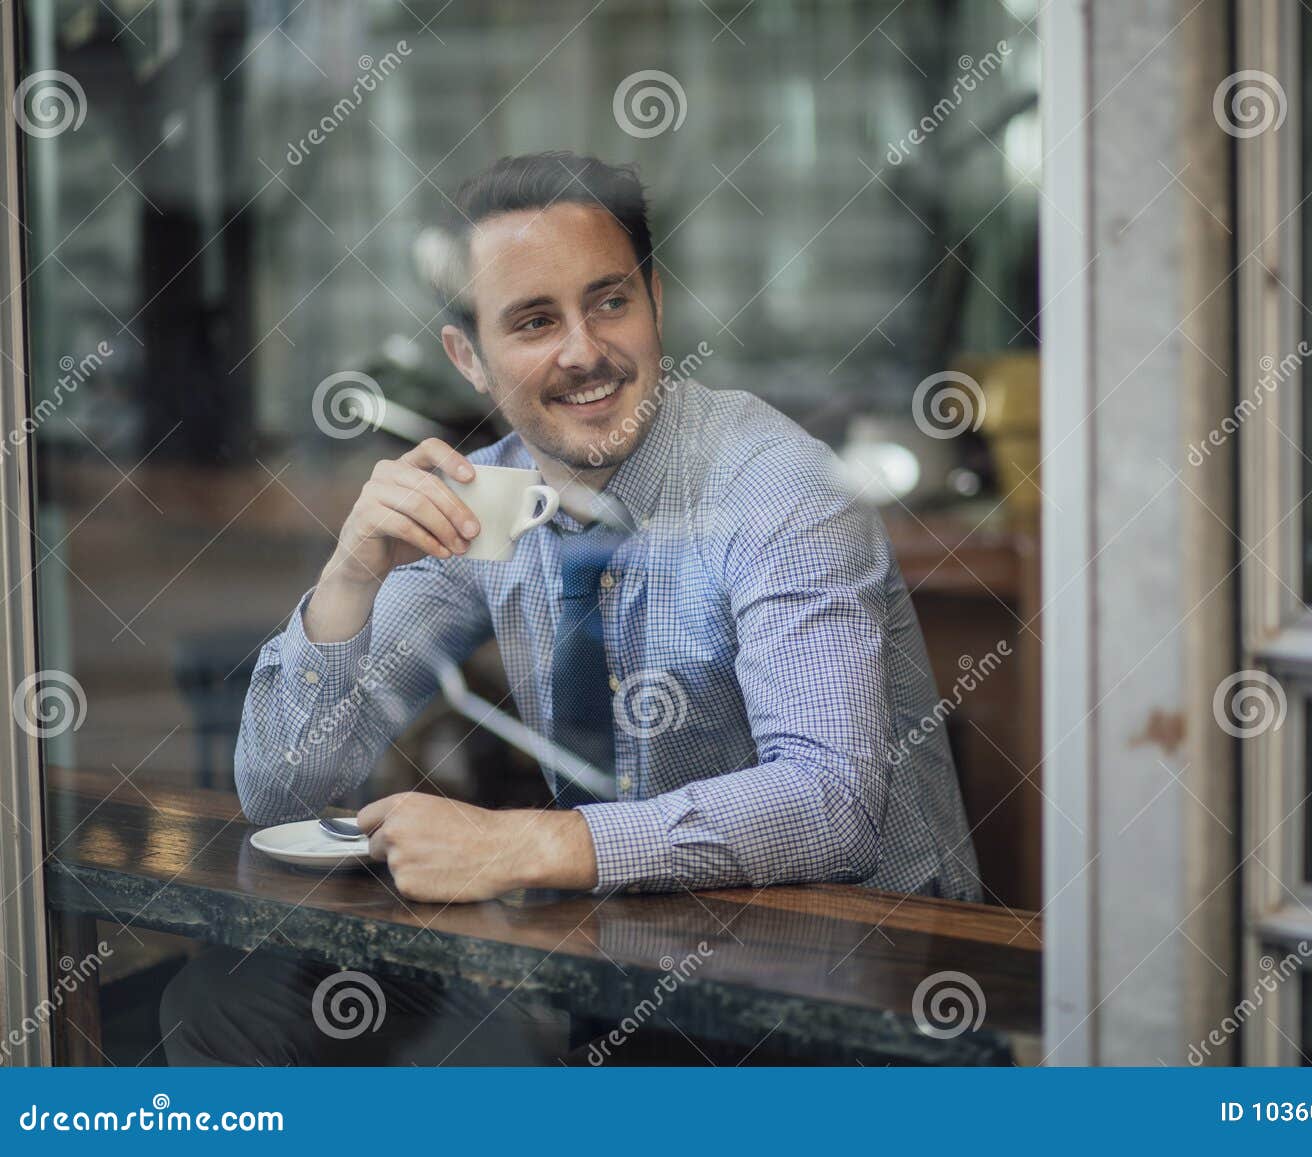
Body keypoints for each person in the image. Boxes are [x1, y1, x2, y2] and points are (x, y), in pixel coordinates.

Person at [162, 151, 979, 1063]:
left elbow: (831, 804)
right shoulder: (491, 499)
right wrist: (352, 574)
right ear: (467, 356)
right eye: (534, 320)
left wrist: (521, 846)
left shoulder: (779, 487)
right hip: (620, 957)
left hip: (856, 987)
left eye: (610, 301)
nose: (584, 350)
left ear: (656, 301)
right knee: (227, 1003)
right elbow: (283, 792)